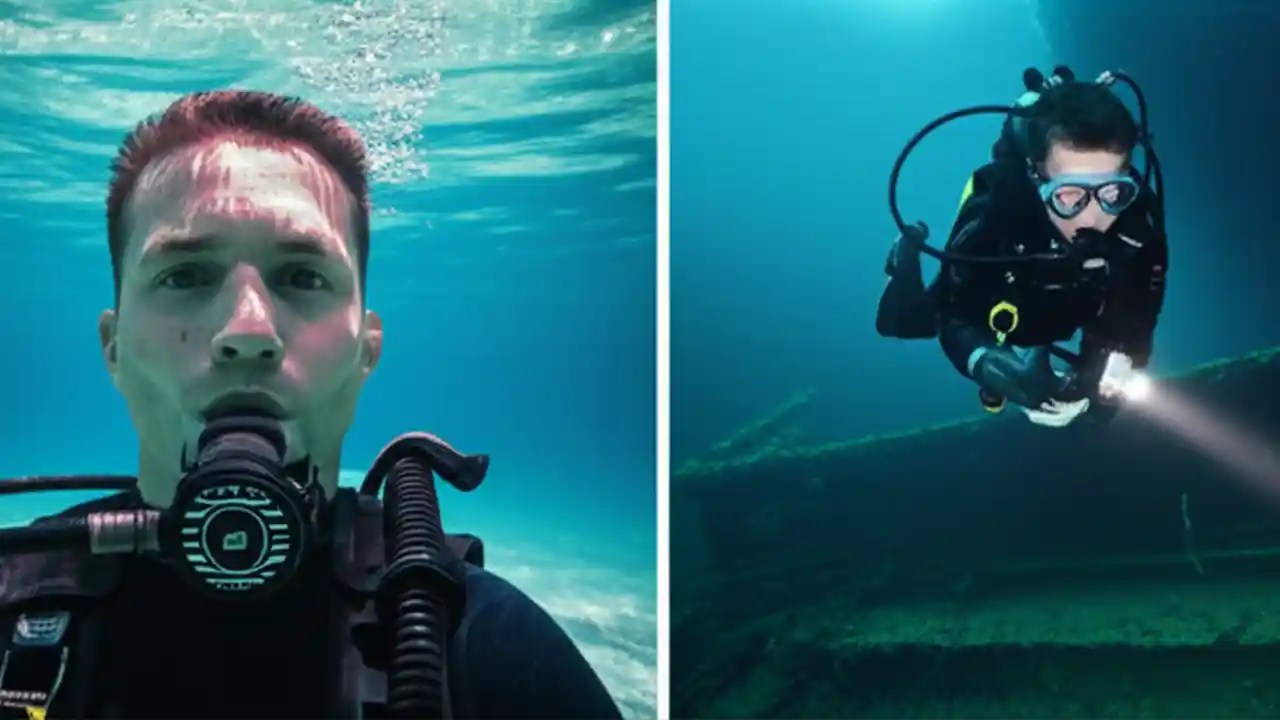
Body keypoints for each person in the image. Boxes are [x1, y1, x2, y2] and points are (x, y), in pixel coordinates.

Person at [0, 90, 623, 719]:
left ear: (366, 351)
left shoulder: (487, 647)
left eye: (302, 277)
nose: (247, 331)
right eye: (185, 276)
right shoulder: (13, 603)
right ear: (112, 348)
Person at [880, 67, 1168, 428]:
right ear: (1036, 178)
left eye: (1112, 193)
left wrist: (1102, 385)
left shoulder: (1137, 225)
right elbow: (952, 315)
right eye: (1069, 196)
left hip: (1070, 312)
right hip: (1008, 309)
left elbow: (1137, 321)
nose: (1092, 218)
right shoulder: (1003, 212)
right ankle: (906, 252)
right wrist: (993, 367)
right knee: (905, 321)